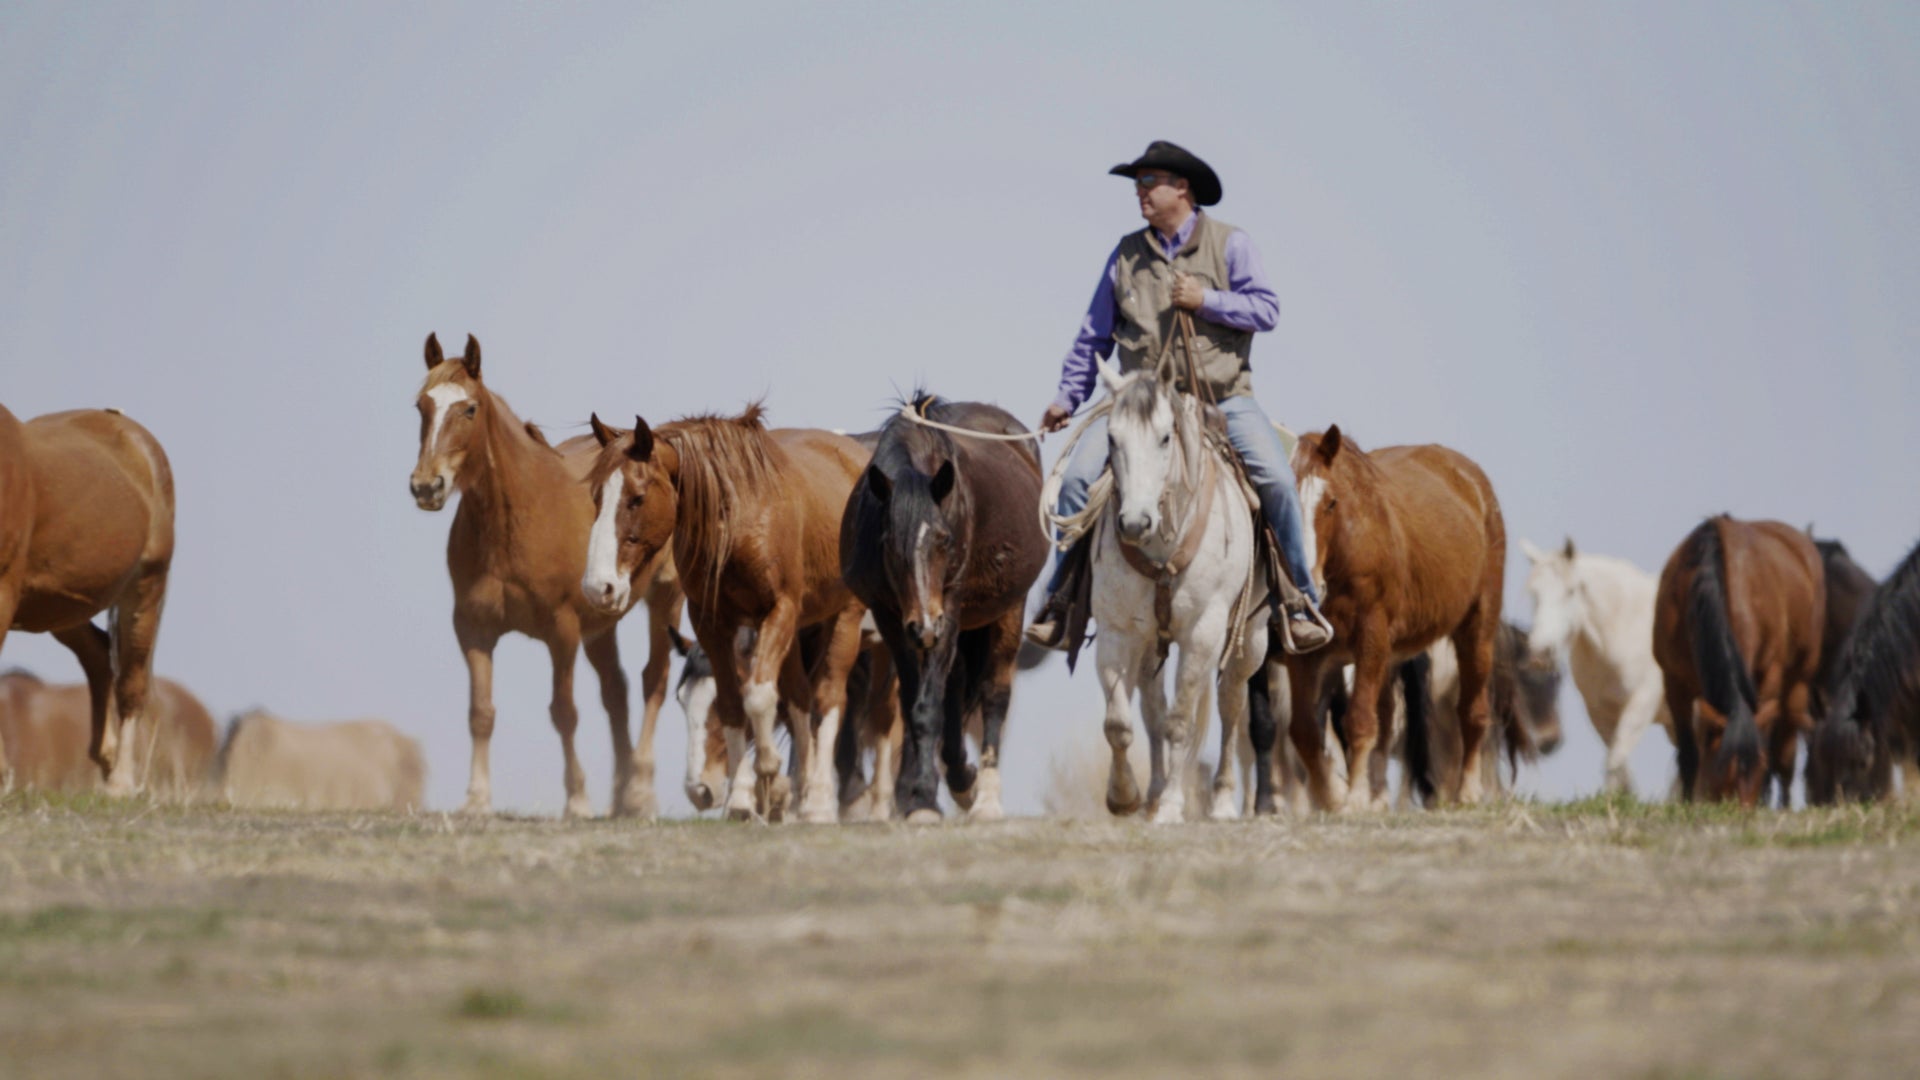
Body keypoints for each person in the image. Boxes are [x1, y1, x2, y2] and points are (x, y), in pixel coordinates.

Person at [1026, 140, 1332, 652]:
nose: (1139, 193)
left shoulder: (1231, 244)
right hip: (1138, 403)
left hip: (1223, 398)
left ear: (1182, 188)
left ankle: (1297, 600)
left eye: (1149, 182)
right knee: (1077, 480)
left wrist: (1206, 300)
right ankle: (1061, 602)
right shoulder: (1126, 255)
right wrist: (1066, 398)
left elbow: (1267, 309)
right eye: (1137, 184)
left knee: (1277, 481)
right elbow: (1093, 336)